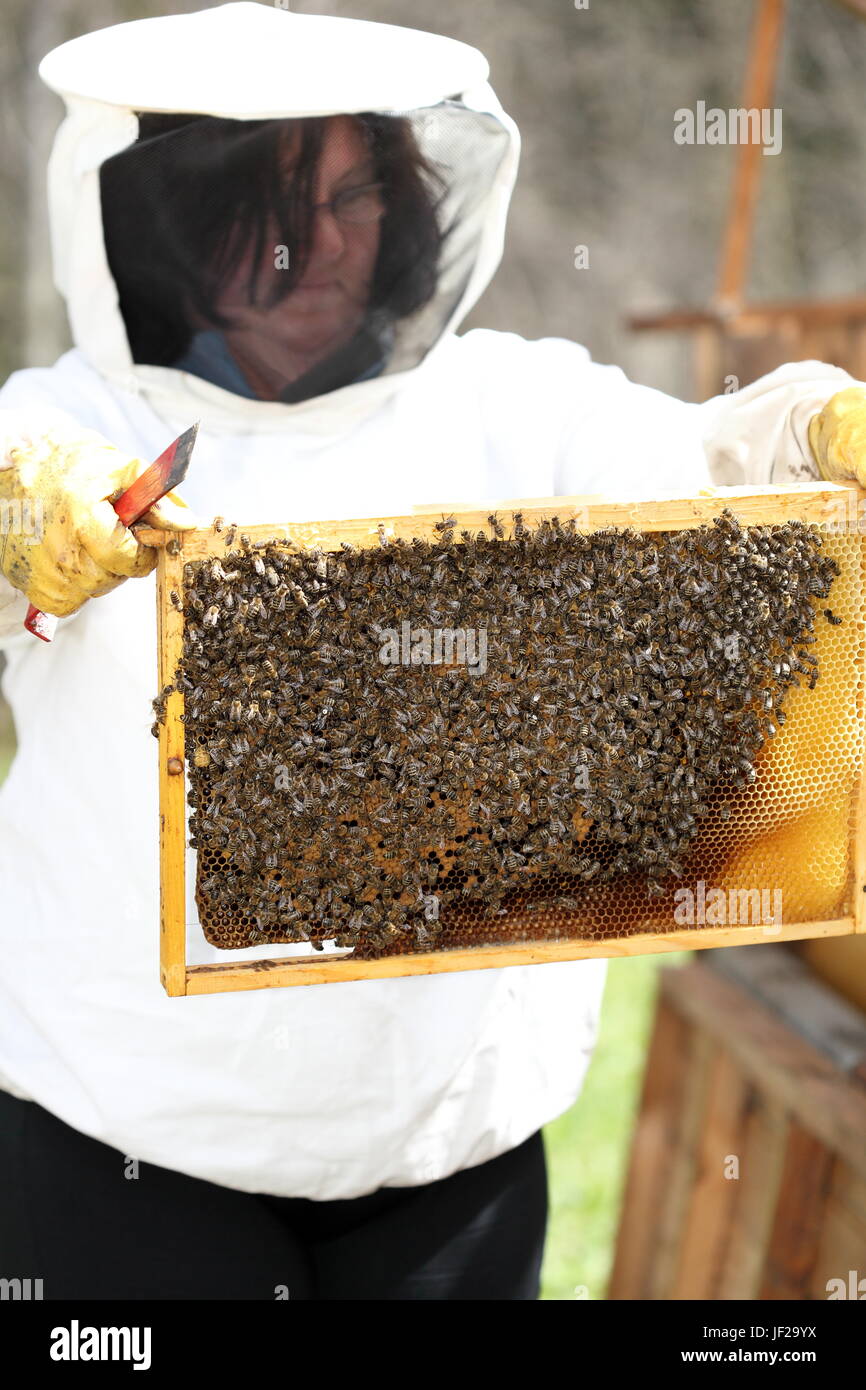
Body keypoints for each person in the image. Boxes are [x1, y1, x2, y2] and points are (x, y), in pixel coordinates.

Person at [1, 3, 865, 1302]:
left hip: (445, 1136)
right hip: (129, 1127)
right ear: (169, 218)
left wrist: (810, 427)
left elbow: (696, 458)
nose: (327, 239)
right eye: (272, 201)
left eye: (358, 192)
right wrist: (30, 509)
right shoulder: (71, 418)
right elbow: (17, 475)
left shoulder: (508, 402)